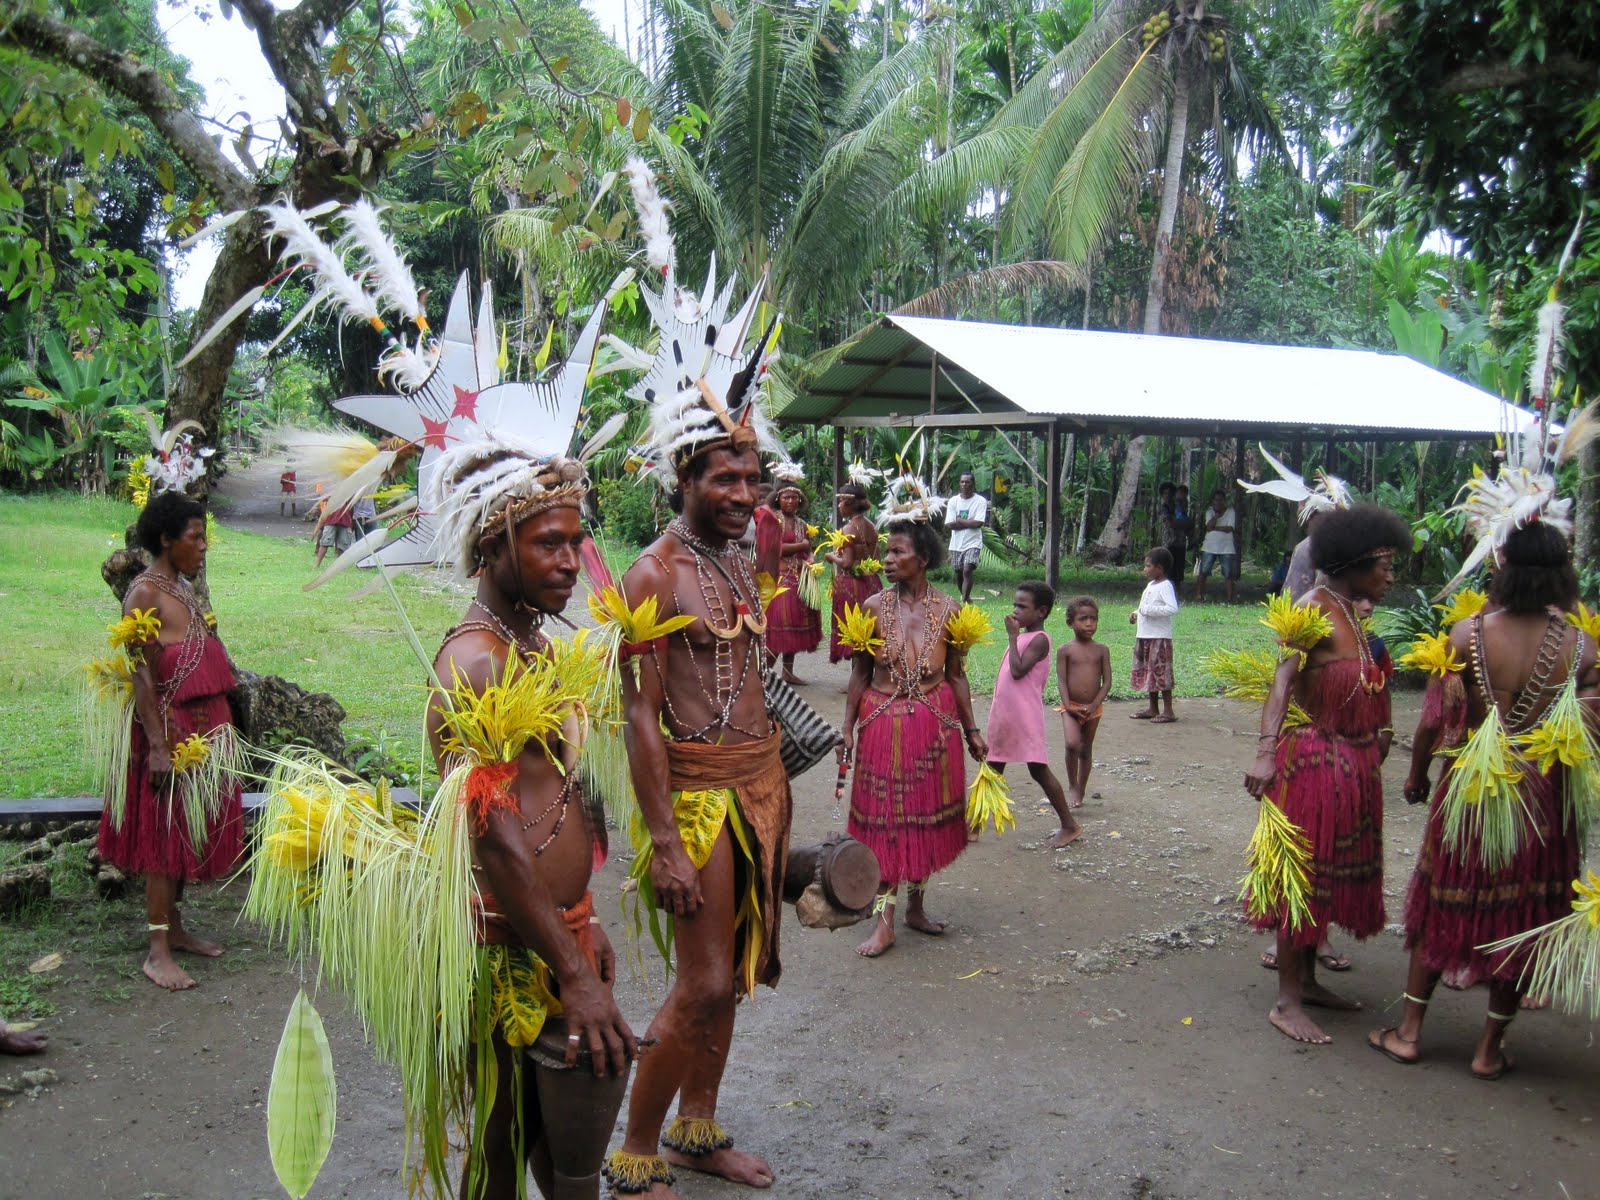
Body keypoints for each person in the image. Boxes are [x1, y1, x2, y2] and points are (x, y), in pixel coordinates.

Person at [604, 163, 792, 1199]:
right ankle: (634, 1149)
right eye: (723, 476)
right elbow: (636, 713)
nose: (743, 492)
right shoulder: (654, 572)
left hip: (761, 779)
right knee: (704, 977)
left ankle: (697, 1127)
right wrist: (666, 838)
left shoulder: (741, 558)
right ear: (682, 478)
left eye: (751, 475)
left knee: (740, 978)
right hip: (698, 796)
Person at [425, 436, 637, 1200]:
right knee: (501, 1147)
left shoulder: (533, 645)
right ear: (492, 544)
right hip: (500, 950)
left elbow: (560, 798)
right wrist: (574, 973)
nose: (571, 560)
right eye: (549, 542)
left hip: (553, 934)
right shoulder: (475, 662)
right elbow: (497, 841)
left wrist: (584, 922)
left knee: (555, 1151)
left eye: (576, 541)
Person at [1371, 521, 1596, 1078]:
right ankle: (1488, 1050)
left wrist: (1417, 775)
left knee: (1442, 902)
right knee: (1522, 912)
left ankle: (1409, 1033)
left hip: (1470, 789)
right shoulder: (1584, 645)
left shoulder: (1465, 634)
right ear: (1562, 575)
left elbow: (1433, 724)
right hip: (1546, 796)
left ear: (1504, 568)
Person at [1244, 503, 1410, 1044]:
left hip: (1352, 766)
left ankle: (1309, 982)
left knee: (1331, 875)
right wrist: (1266, 751)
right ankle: (1287, 1000)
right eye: (1383, 564)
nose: (1389, 575)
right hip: (1311, 763)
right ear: (1356, 562)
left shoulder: (1353, 614)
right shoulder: (1313, 608)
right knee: (1305, 877)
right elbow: (1281, 683)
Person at [96, 489, 244, 991]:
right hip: (168, 731)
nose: (203, 546)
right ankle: (157, 951)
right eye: (195, 537)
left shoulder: (179, 586)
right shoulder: (145, 592)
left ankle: (175, 929)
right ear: (166, 539)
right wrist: (158, 746)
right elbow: (141, 674)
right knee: (165, 834)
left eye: (205, 537)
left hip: (200, 731)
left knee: (186, 829)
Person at [840, 495, 987, 959]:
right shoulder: (869, 606)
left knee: (922, 822)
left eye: (898, 553)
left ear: (923, 559)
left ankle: (916, 908)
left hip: (934, 726)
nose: (887, 559)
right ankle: (884, 920)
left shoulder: (949, 611)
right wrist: (846, 728)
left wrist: (972, 730)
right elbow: (860, 675)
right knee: (885, 824)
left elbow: (957, 676)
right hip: (882, 722)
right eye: (887, 552)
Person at [986, 582, 1081, 849]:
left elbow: (1017, 671)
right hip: (1006, 714)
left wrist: (1012, 637)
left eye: (1022, 606)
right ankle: (973, 825)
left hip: (1023, 716)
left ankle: (1069, 825)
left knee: (1038, 769)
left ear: (1041, 611)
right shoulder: (1026, 637)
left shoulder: (1039, 639)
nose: (1015, 611)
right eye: (1014, 604)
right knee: (993, 768)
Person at [763, 475, 822, 685]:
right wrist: (802, 546)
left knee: (793, 629)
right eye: (786, 497)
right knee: (779, 628)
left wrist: (811, 559)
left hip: (799, 580)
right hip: (780, 580)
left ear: (800, 500)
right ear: (778, 499)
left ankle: (788, 672)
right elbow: (773, 549)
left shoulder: (802, 524)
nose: (790, 501)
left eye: (794, 498)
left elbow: (809, 551)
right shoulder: (771, 520)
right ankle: (765, 674)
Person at [1056, 595, 1111, 812]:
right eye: (1083, 619)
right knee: (1072, 744)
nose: (1089, 624)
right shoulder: (1065, 650)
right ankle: (1071, 784)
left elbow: (1107, 682)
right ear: (1070, 622)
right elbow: (1061, 679)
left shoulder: (1101, 650)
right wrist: (1068, 705)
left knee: (1086, 749)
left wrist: (1094, 704)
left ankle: (1081, 788)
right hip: (1071, 708)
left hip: (1093, 708)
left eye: (1093, 619)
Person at [825, 481, 882, 669]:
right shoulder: (871, 526)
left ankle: (857, 678)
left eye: (841, 501)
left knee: (855, 630)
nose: (839, 505)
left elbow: (848, 563)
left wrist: (831, 556)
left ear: (850, 503)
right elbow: (877, 561)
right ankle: (863, 676)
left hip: (853, 584)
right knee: (867, 628)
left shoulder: (849, 528)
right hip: (872, 583)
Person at [1129, 547, 1179, 723]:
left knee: (1161, 672)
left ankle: (1168, 710)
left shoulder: (1165, 586)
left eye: (1148, 566)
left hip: (1159, 637)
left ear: (1159, 568)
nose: (1145, 569)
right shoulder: (1150, 586)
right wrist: (1137, 613)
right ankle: (1153, 708)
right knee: (1149, 671)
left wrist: (1147, 610)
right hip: (1145, 636)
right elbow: (1145, 605)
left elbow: (1172, 608)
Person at [945, 472, 988, 605]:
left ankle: (963, 600)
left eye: (967, 482)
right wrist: (968, 522)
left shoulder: (980, 501)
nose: (964, 484)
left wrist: (959, 520)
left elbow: (978, 523)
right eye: (962, 482)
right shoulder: (954, 501)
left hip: (973, 542)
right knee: (958, 572)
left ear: (973, 484)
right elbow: (950, 525)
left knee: (967, 569)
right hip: (956, 544)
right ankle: (966, 597)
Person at [1194, 489, 1237, 602]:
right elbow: (1208, 527)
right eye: (1216, 500)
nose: (1218, 502)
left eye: (1221, 500)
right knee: (1203, 571)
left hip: (1226, 547)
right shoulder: (1209, 512)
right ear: (1213, 501)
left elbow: (1230, 528)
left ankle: (1229, 598)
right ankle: (1199, 595)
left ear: (1224, 501)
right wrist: (1216, 517)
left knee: (1228, 574)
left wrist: (1215, 528)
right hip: (1209, 546)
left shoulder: (1231, 511)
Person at [314, 498, 355, 566]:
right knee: (325, 543)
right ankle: (316, 565)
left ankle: (339, 566)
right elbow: (324, 498)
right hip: (331, 519)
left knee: (342, 546)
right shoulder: (332, 489)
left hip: (345, 519)